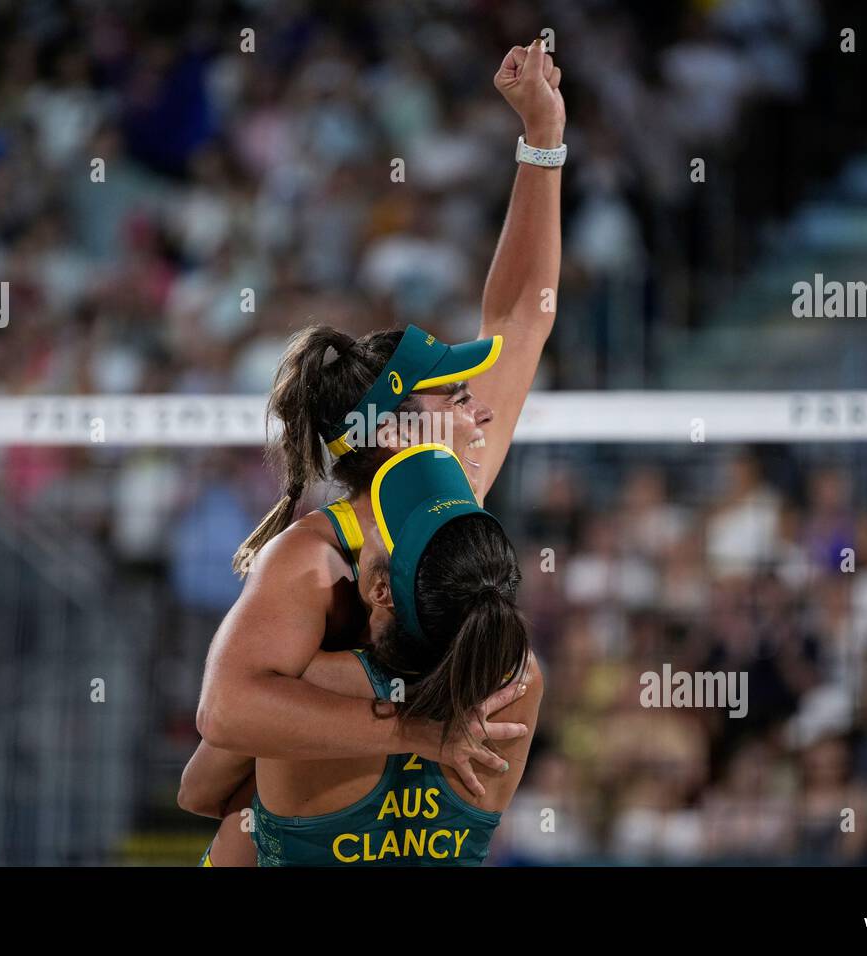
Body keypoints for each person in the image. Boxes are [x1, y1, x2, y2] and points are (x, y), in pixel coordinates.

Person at [179, 39, 565, 853]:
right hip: (357, 800)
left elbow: (524, 315)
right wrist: (409, 732)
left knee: (234, 809)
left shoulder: (455, 471)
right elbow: (223, 713)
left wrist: (542, 135)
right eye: (453, 395)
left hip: (362, 805)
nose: (478, 407)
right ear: (395, 432)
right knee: (233, 813)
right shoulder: (312, 560)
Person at [185, 445, 542, 864]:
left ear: (380, 590)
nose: (365, 525)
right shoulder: (521, 683)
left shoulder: (309, 682)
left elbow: (197, 793)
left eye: (378, 526)